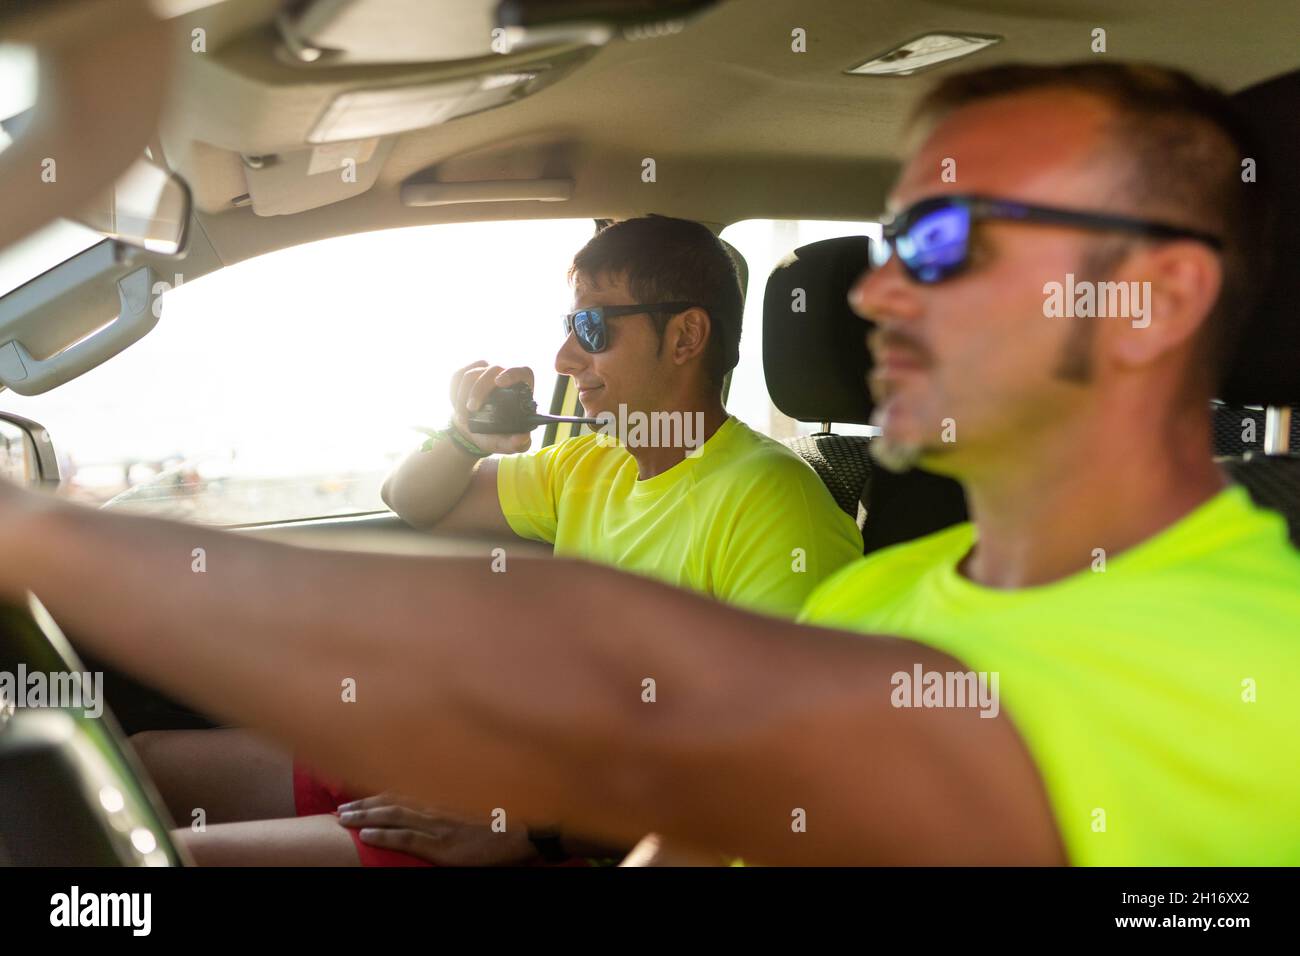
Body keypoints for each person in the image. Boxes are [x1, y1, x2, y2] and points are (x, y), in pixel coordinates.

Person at [3, 61, 1297, 865]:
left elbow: (654, 701)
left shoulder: (1252, 656)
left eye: (949, 240)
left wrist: (45, 537)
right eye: (892, 239)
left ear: (1162, 296)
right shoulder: (879, 602)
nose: (878, 293)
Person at [127, 215, 864, 866]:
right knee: (132, 768)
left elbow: (775, 773)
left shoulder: (773, 503)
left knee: (159, 858)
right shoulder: (592, 461)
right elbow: (414, 500)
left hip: (580, 830)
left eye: (592, 330)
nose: (565, 361)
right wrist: (463, 436)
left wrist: (532, 831)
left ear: (686, 336)